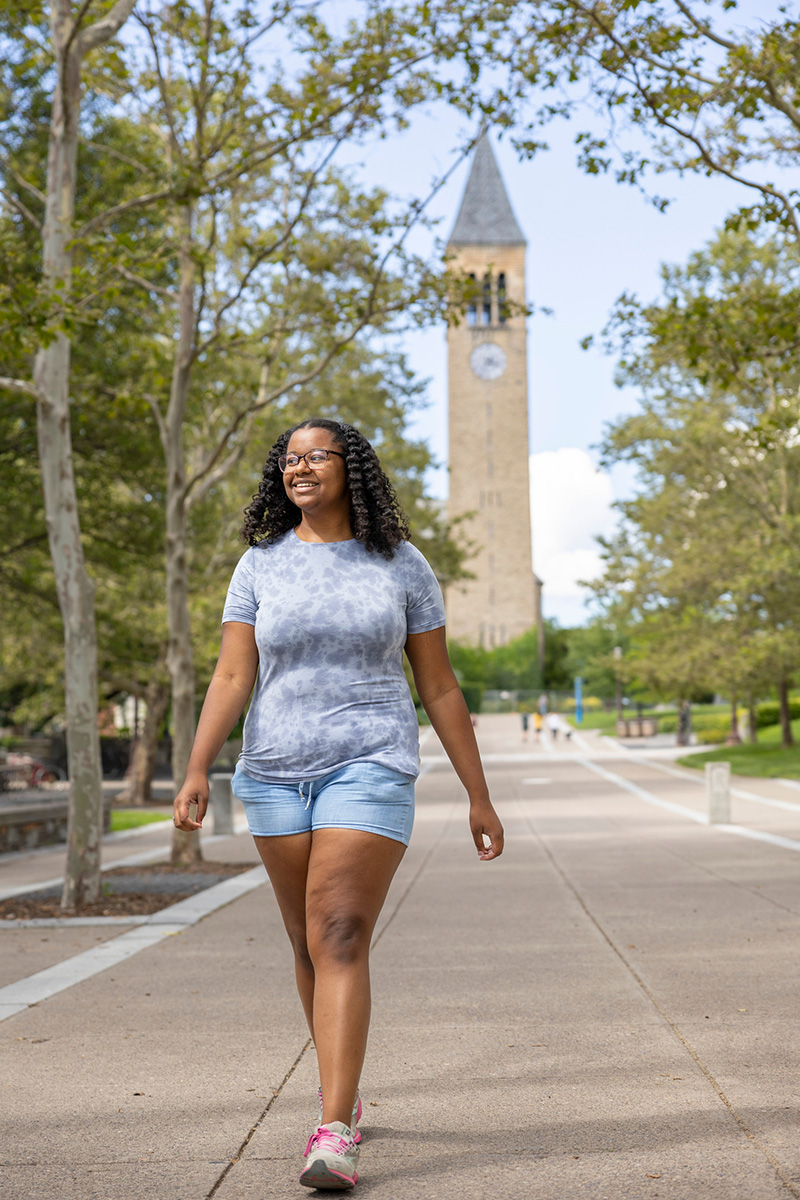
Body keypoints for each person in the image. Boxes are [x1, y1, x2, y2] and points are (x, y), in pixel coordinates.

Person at [173, 418, 504, 1192]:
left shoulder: (401, 563)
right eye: (289, 459)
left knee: (340, 931)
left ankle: (331, 1132)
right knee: (304, 942)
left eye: (316, 455)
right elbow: (231, 676)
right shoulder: (260, 563)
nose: (300, 467)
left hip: (371, 761)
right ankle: (343, 1091)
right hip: (275, 770)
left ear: (350, 467)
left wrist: (478, 794)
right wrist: (197, 768)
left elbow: (440, 684)